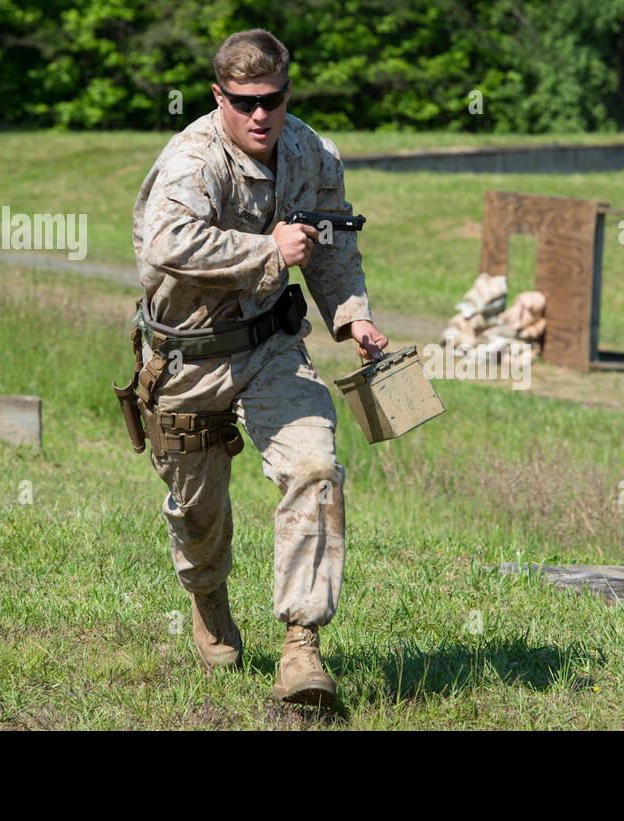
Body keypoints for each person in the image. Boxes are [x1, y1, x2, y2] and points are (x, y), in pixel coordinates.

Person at [128, 27, 388, 707]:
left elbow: (329, 239)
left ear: (287, 91)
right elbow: (165, 245)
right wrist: (266, 249)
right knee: (197, 514)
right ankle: (208, 598)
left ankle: (302, 647)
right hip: (185, 358)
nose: (259, 115)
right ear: (219, 96)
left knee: (315, 467)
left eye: (271, 98)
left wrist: (352, 314)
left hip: (271, 346)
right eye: (243, 101)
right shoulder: (193, 160)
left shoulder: (311, 152)